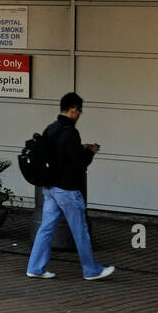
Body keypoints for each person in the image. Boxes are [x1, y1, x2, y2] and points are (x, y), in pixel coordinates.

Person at [25, 92, 115, 281]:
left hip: (50, 188)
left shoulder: (52, 128)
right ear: (73, 110)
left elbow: (59, 155)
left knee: (46, 228)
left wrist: (79, 149)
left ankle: (35, 267)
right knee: (80, 230)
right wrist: (90, 151)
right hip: (67, 189)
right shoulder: (70, 132)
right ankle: (91, 270)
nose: (79, 115)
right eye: (79, 111)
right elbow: (79, 163)